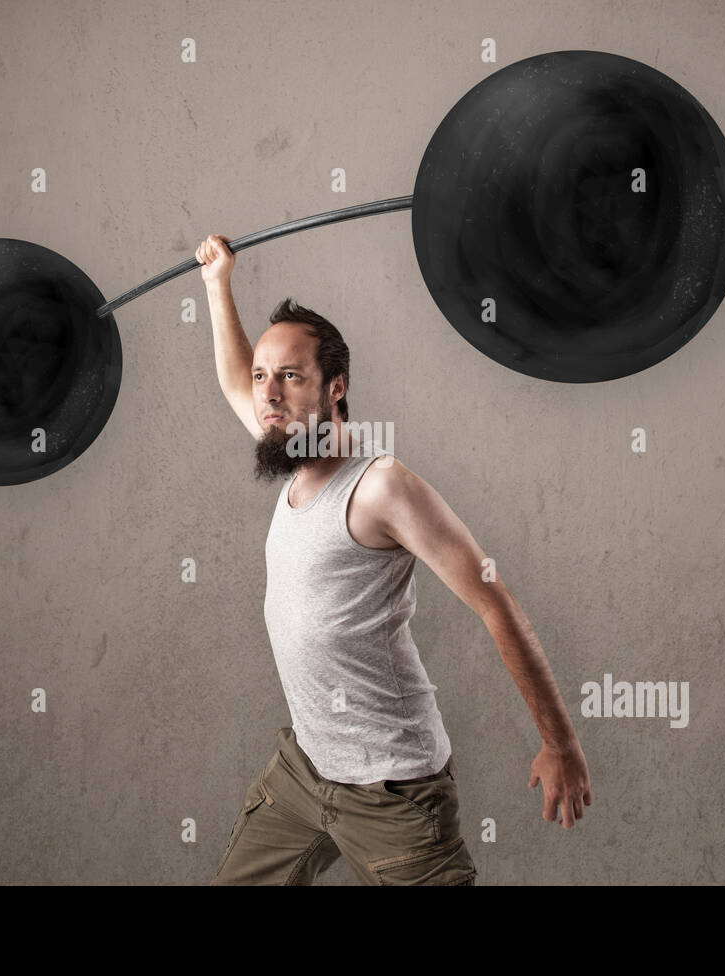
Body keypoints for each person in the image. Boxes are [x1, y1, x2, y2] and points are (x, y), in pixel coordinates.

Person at [196, 233, 591, 885]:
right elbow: (236, 381)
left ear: (335, 387)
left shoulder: (380, 486)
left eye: (290, 377)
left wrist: (561, 744)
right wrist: (218, 284)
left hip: (392, 790)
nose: (268, 395)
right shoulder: (291, 446)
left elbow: (495, 601)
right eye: (266, 378)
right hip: (305, 770)